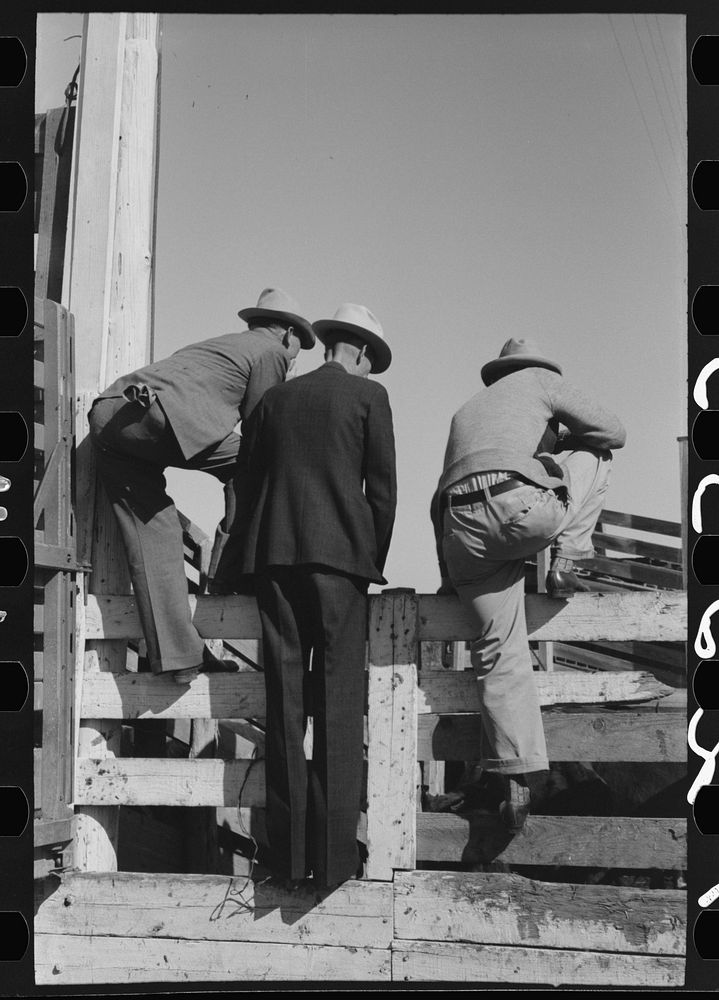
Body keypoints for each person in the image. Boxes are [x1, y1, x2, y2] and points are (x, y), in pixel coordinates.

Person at [431, 338, 626, 832]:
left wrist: (447, 577)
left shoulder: (465, 412)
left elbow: (443, 498)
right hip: (518, 510)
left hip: (461, 536)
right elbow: (615, 431)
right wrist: (561, 444)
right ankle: (568, 559)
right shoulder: (542, 382)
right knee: (599, 454)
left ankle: (514, 787)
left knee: (500, 654)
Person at [233, 302, 397, 888]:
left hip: (274, 560)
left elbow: (248, 484)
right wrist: (367, 558)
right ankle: (331, 864)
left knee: (283, 707)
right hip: (339, 566)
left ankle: (284, 857)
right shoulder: (368, 399)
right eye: (371, 362)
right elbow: (381, 491)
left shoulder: (276, 399)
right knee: (337, 704)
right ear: (359, 353)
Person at [87, 287, 315, 685]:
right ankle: (229, 573)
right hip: (160, 416)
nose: (296, 355)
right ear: (288, 334)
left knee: (153, 530)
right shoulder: (272, 353)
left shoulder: (222, 345)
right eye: (300, 346)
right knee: (255, 465)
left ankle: (180, 657)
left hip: (111, 414)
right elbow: (263, 431)